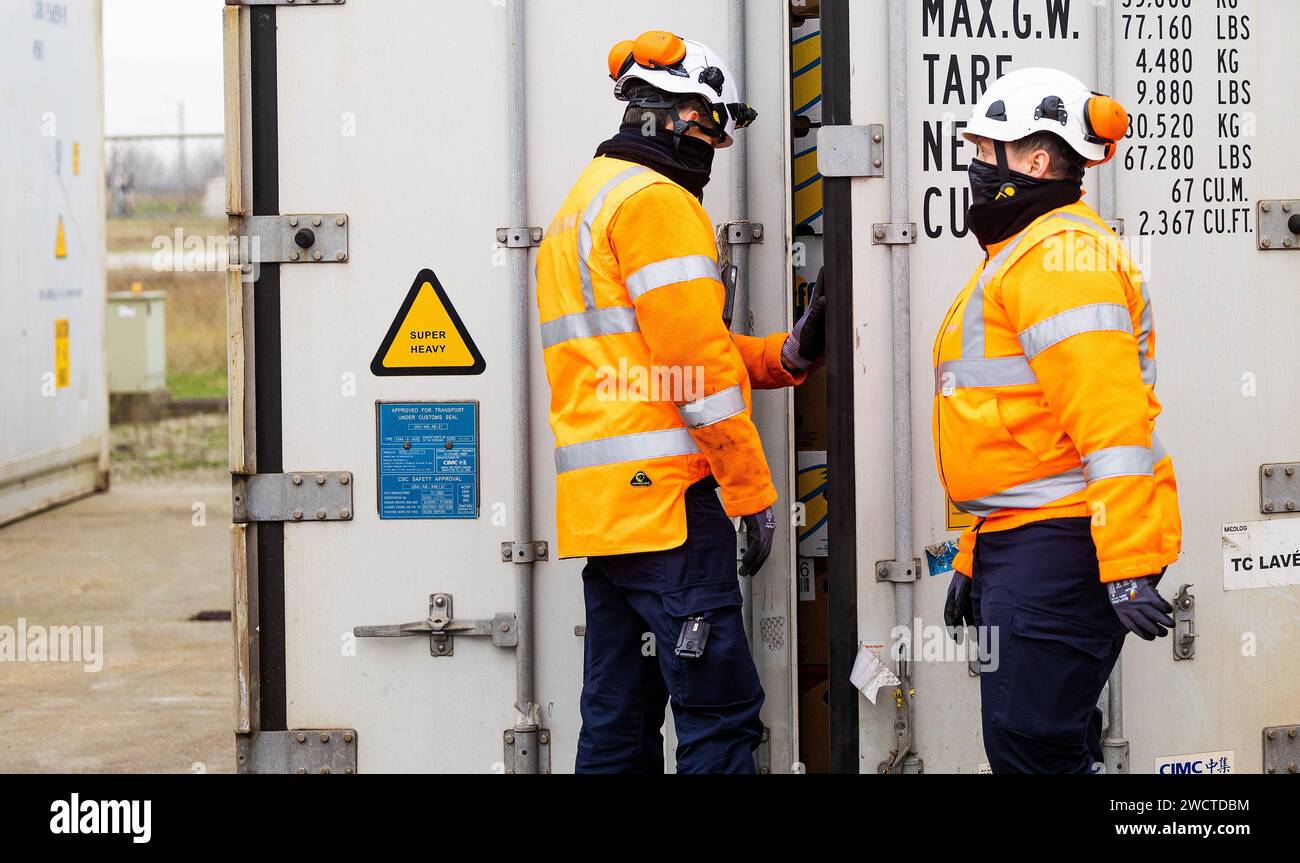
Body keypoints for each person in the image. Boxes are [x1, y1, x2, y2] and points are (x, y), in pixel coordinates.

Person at [535, 30, 825, 774]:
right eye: (709, 125)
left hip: (607, 518)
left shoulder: (583, 204)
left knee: (616, 725)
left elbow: (656, 356)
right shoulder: (656, 203)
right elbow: (693, 369)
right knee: (719, 717)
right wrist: (752, 493)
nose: (713, 148)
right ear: (666, 113)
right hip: (669, 510)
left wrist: (783, 356)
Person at [934, 68, 1182, 774]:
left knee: (1030, 746)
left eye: (986, 152)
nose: (975, 168)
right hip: (1034, 541)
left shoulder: (1057, 256)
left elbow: (1111, 426)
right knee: (1049, 741)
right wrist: (975, 553)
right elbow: (1018, 429)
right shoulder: (1027, 251)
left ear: (1035, 160)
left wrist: (1130, 564)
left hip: (1065, 545)